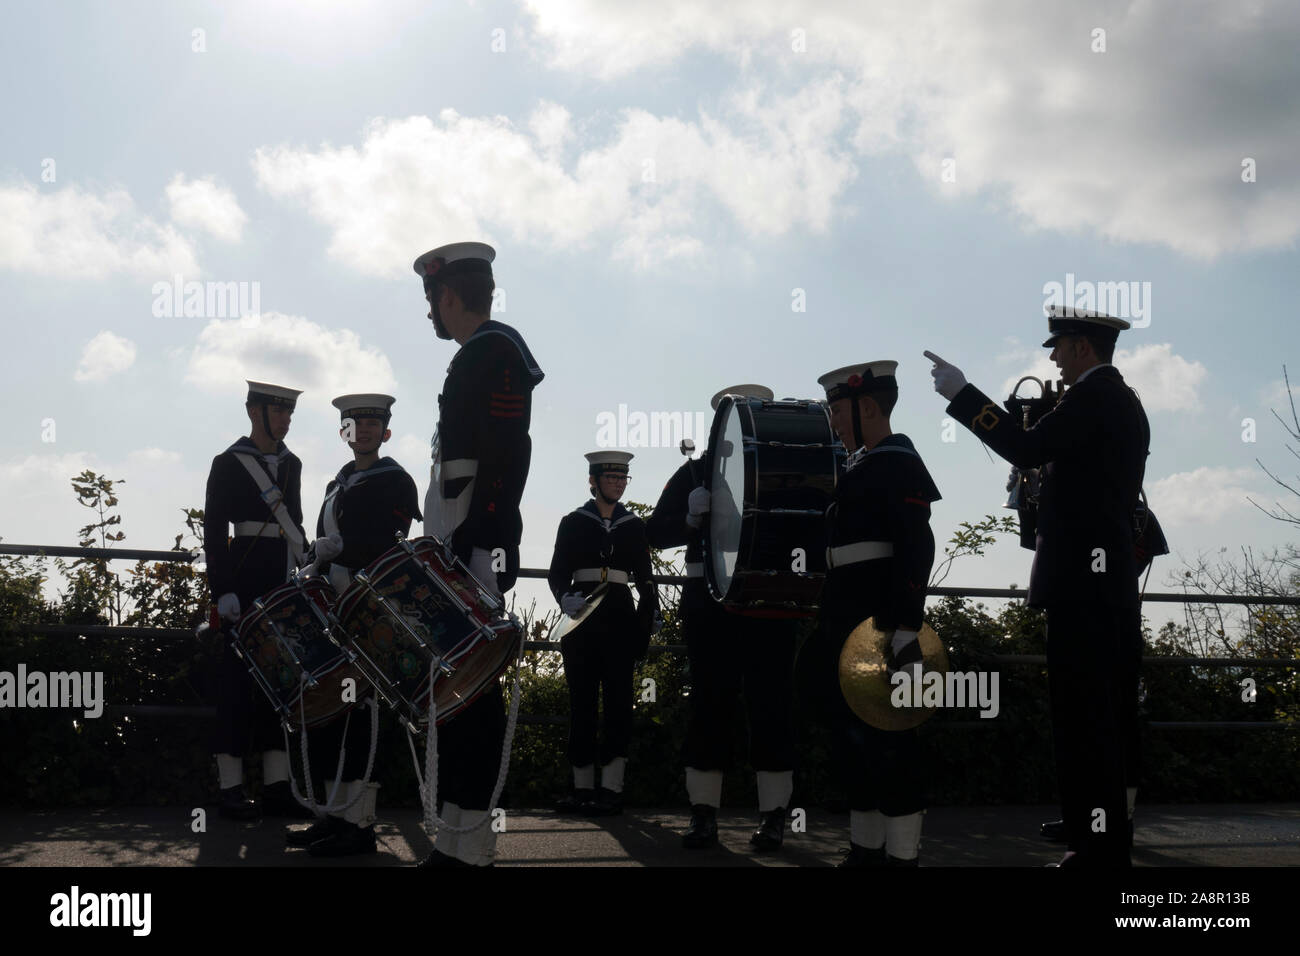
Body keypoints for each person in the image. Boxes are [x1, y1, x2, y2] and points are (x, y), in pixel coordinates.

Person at [925, 306, 1148, 867]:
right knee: (1096, 712)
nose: (1051, 357)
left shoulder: (1095, 397)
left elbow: (1027, 450)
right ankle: (1090, 826)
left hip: (1084, 582)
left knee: (1087, 716)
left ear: (1081, 349)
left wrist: (963, 395)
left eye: (1058, 346)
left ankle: (1098, 850)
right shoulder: (1116, 399)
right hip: (1099, 578)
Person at [414, 241, 544, 866]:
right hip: (455, 541)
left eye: (432, 301)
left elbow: (509, 451)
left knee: (475, 693)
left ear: (448, 295)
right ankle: (456, 837)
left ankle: (475, 846)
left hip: (474, 543)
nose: (430, 316)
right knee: (455, 693)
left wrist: (488, 532)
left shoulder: (496, 353)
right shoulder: (476, 356)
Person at [646, 384, 799, 851]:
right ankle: (703, 813)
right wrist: (690, 520)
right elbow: (654, 532)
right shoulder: (695, 471)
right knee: (710, 700)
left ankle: (774, 815)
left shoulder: (783, 466)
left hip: (766, 597)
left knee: (769, 701)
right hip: (708, 600)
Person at [799, 362, 940, 865]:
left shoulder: (898, 461)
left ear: (867, 407)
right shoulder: (862, 464)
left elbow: (915, 549)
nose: (833, 421)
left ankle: (902, 856)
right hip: (845, 613)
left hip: (879, 619)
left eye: (838, 410)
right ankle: (867, 849)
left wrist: (905, 626)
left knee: (890, 741)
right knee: (851, 738)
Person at [285, 393, 421, 856]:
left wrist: (337, 549)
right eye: (353, 423)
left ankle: (359, 824)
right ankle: (334, 815)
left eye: (371, 424)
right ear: (343, 431)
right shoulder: (334, 483)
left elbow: (390, 543)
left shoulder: (395, 480)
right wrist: (312, 564)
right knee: (331, 713)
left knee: (364, 714)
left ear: (385, 432)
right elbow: (324, 545)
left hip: (371, 606)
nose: (361, 431)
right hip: (333, 608)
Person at [203, 380, 311, 820]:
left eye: (288, 413)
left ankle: (276, 786)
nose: (285, 420)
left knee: (280, 685)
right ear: (254, 412)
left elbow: (296, 523)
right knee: (236, 685)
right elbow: (214, 531)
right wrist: (222, 589)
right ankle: (229, 788)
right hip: (243, 584)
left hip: (282, 581)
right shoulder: (228, 463)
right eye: (277, 412)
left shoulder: (293, 464)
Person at [548, 451, 658, 816]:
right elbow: (557, 570)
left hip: (619, 617)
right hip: (581, 617)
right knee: (580, 702)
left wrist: (649, 615)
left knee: (618, 703)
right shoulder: (573, 522)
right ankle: (580, 789)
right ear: (593, 481)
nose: (618, 483)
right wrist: (563, 596)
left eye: (622, 478)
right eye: (611, 478)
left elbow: (645, 577)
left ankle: (612, 789)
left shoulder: (633, 526)